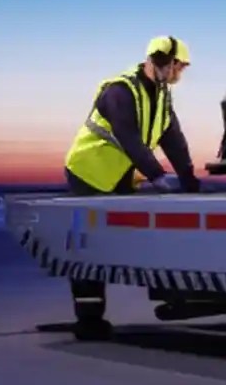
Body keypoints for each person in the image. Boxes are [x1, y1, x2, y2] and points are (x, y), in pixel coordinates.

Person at [61, 35, 202, 340]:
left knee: (135, 233)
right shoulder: (119, 90)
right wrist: (158, 177)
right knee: (90, 244)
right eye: (178, 66)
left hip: (121, 177)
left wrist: (189, 179)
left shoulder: (161, 94)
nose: (180, 74)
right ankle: (88, 318)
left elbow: (172, 138)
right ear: (162, 60)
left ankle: (171, 290)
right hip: (90, 172)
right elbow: (129, 137)